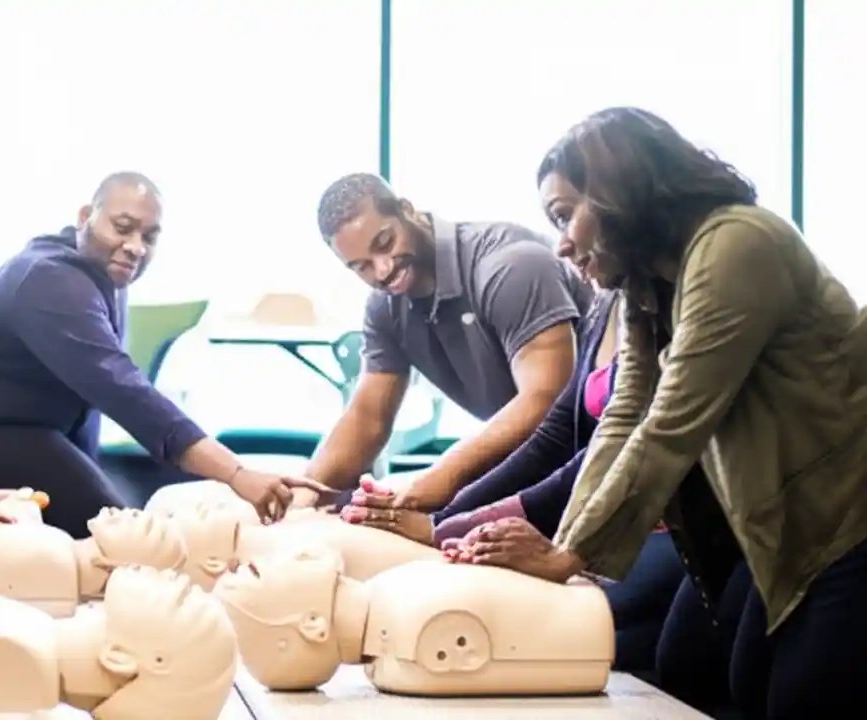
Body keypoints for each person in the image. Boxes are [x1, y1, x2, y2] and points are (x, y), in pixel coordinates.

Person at [451, 107, 867, 718]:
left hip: (847, 514)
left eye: (564, 215)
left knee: (794, 699)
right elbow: (624, 417)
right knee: (703, 673)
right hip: (781, 522)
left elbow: (672, 423)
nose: (560, 242)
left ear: (616, 193)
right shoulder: (646, 283)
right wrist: (566, 546)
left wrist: (568, 556)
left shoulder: (736, 244)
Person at [340, 144, 685, 676]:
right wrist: (444, 519)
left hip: (674, 522)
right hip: (603, 507)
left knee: (577, 628)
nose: (561, 244)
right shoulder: (615, 306)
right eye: (360, 266)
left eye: (566, 217)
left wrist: (446, 523)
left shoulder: (518, 266)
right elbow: (559, 437)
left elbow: (597, 444)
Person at [0, 171, 333, 537]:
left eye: (149, 236)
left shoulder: (105, 279)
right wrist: (236, 473)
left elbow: (86, 407)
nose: (135, 247)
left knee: (123, 514)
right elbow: (124, 392)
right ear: (85, 217)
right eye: (123, 227)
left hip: (17, 430)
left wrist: (87, 483)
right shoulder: (49, 280)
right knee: (119, 534)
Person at [301, 173, 594, 512]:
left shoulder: (510, 265)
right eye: (361, 267)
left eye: (385, 243)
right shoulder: (385, 307)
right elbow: (367, 419)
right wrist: (304, 493)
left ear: (407, 210)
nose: (382, 270)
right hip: (531, 466)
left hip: (597, 459)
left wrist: (443, 475)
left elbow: (546, 397)